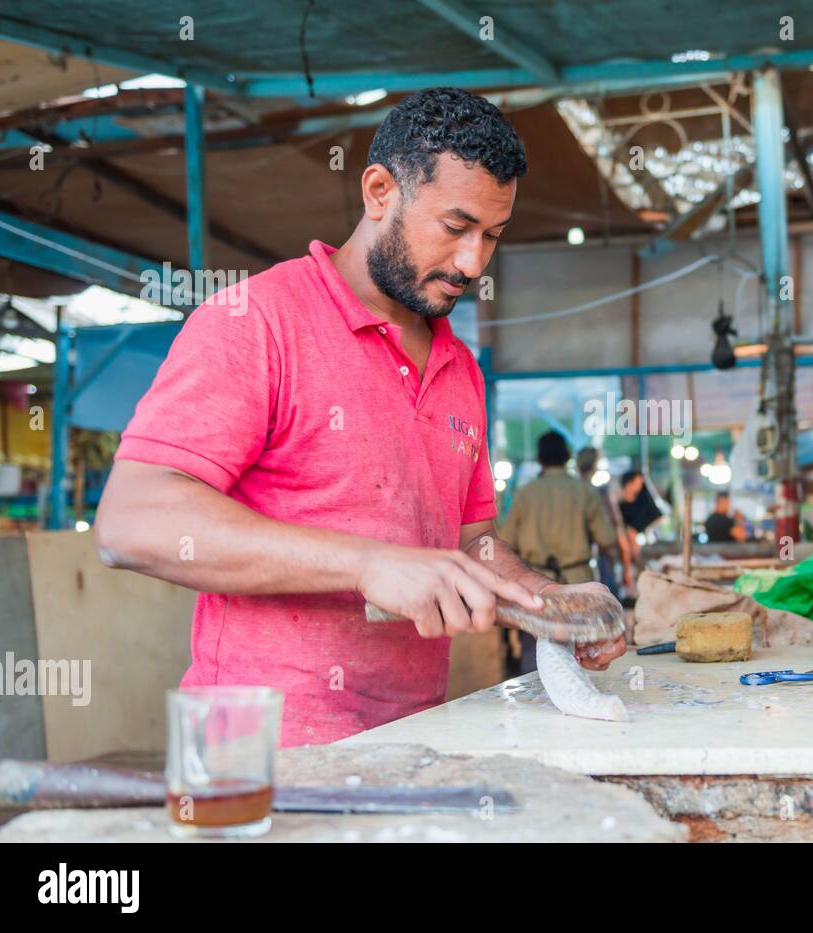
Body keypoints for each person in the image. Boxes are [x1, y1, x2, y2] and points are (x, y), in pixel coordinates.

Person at [94, 88, 625, 748]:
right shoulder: (258, 322)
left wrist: (549, 600)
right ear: (379, 191)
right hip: (259, 755)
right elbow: (131, 522)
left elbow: (470, 544)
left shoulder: (460, 368)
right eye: (455, 227)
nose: (473, 262)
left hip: (410, 743)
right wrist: (369, 563)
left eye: (492, 235)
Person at [500, 432, 618, 672]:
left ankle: (534, 702)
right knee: (585, 655)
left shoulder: (526, 493)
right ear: (567, 457)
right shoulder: (584, 491)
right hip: (577, 584)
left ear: (540, 458)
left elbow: (504, 542)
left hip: (533, 589)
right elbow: (607, 540)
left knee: (534, 659)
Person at [573, 446, 633, 596]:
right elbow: (612, 529)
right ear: (595, 465)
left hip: (572, 567)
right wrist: (621, 563)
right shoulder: (599, 493)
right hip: (599, 560)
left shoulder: (569, 493)